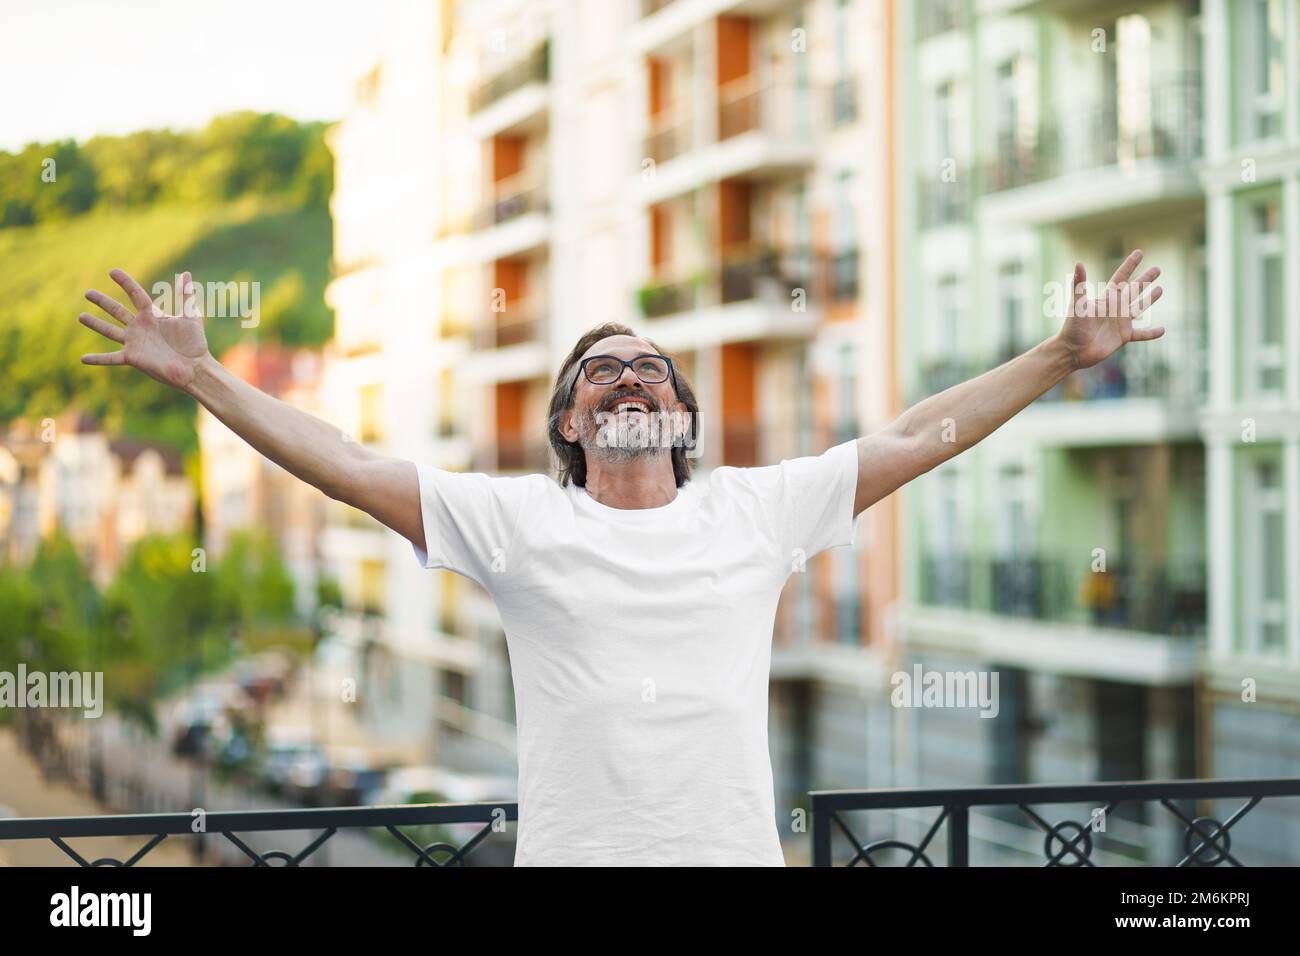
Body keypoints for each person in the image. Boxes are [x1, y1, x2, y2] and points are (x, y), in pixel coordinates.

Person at [77, 251, 1163, 865]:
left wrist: (1060, 355)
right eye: (602, 372)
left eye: (651, 366)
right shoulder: (516, 521)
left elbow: (921, 433)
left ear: (683, 415)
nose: (630, 374)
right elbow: (348, 462)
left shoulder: (756, 509)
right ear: (568, 424)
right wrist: (207, 381)